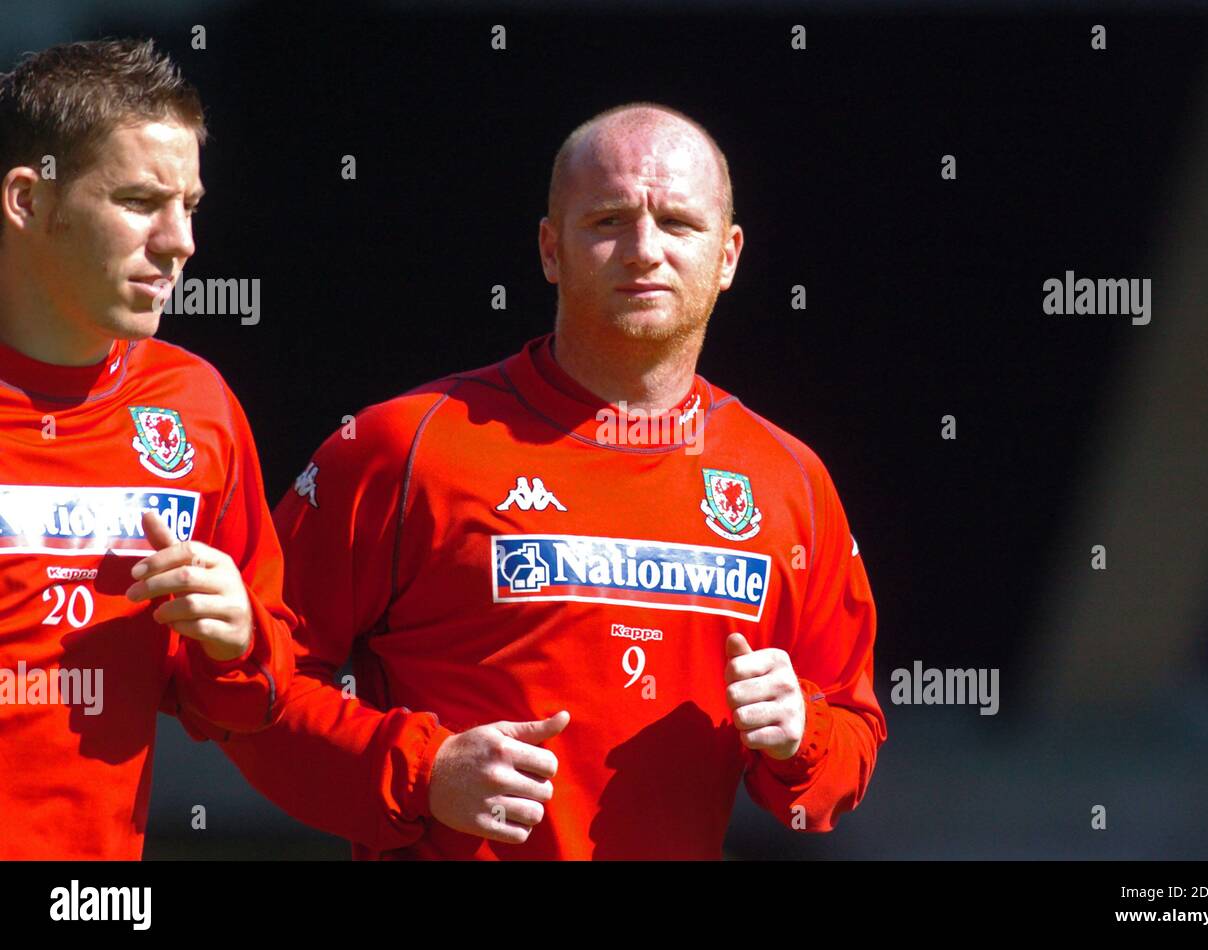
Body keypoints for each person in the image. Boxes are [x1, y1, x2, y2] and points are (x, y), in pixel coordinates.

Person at [223, 102, 887, 859]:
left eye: (677, 224)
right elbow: (246, 687)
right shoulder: (403, 446)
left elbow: (850, 739)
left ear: (728, 255)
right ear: (550, 249)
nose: (644, 250)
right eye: (607, 221)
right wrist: (422, 771)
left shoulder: (788, 480)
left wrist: (800, 734)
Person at [0, 38, 293, 859]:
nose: (180, 242)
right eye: (139, 201)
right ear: (27, 199)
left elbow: (247, 700)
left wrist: (237, 641)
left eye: (190, 205)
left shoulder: (195, 406)